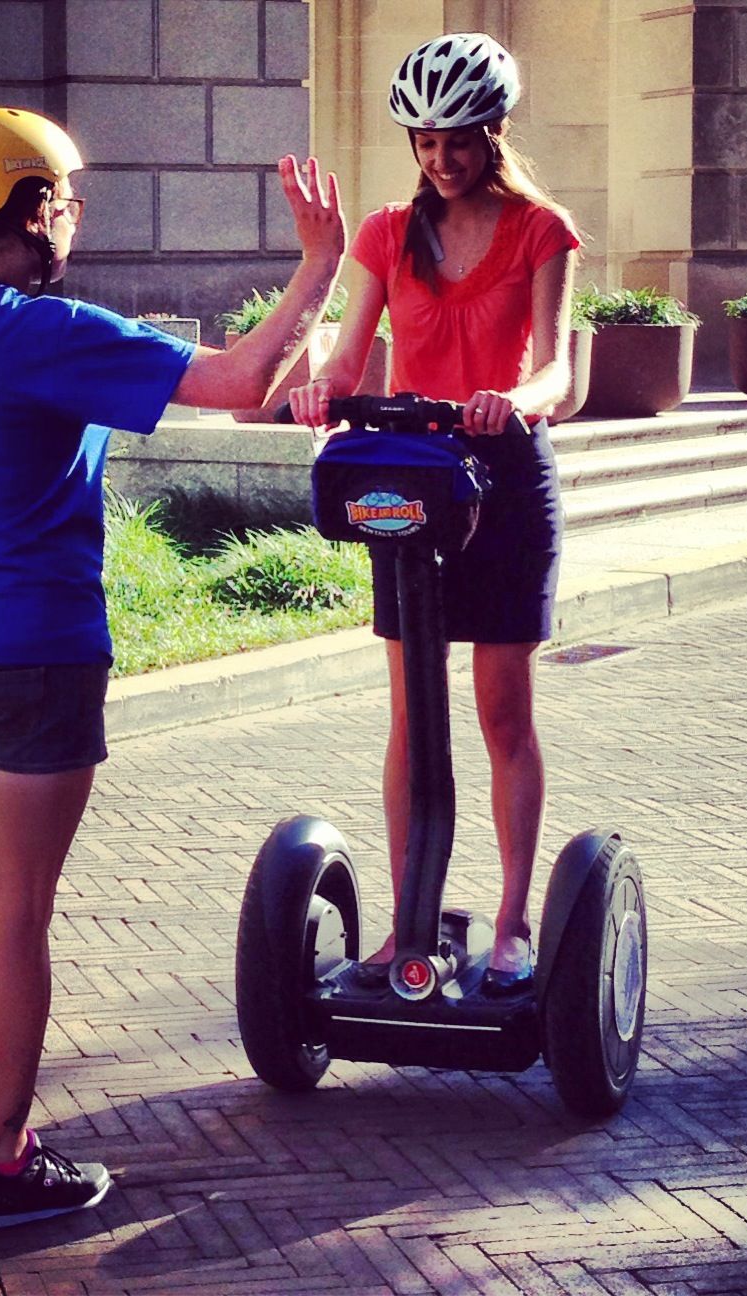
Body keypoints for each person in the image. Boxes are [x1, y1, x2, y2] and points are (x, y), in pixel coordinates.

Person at [0, 106, 344, 1227]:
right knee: (17, 914)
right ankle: (4, 1166)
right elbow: (245, 383)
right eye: (64, 200)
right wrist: (319, 265)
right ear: (29, 210)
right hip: (32, 651)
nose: (73, 219)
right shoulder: (46, 331)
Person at [289, 33, 578, 994]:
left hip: (504, 479)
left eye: (457, 139)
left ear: (491, 132)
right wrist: (321, 393)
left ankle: (510, 921)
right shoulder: (383, 234)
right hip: (414, 486)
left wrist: (518, 400)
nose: (439, 157)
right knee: (414, 714)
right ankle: (410, 920)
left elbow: (558, 369)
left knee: (501, 712)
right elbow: (349, 353)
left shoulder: (542, 230)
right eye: (424, 140)